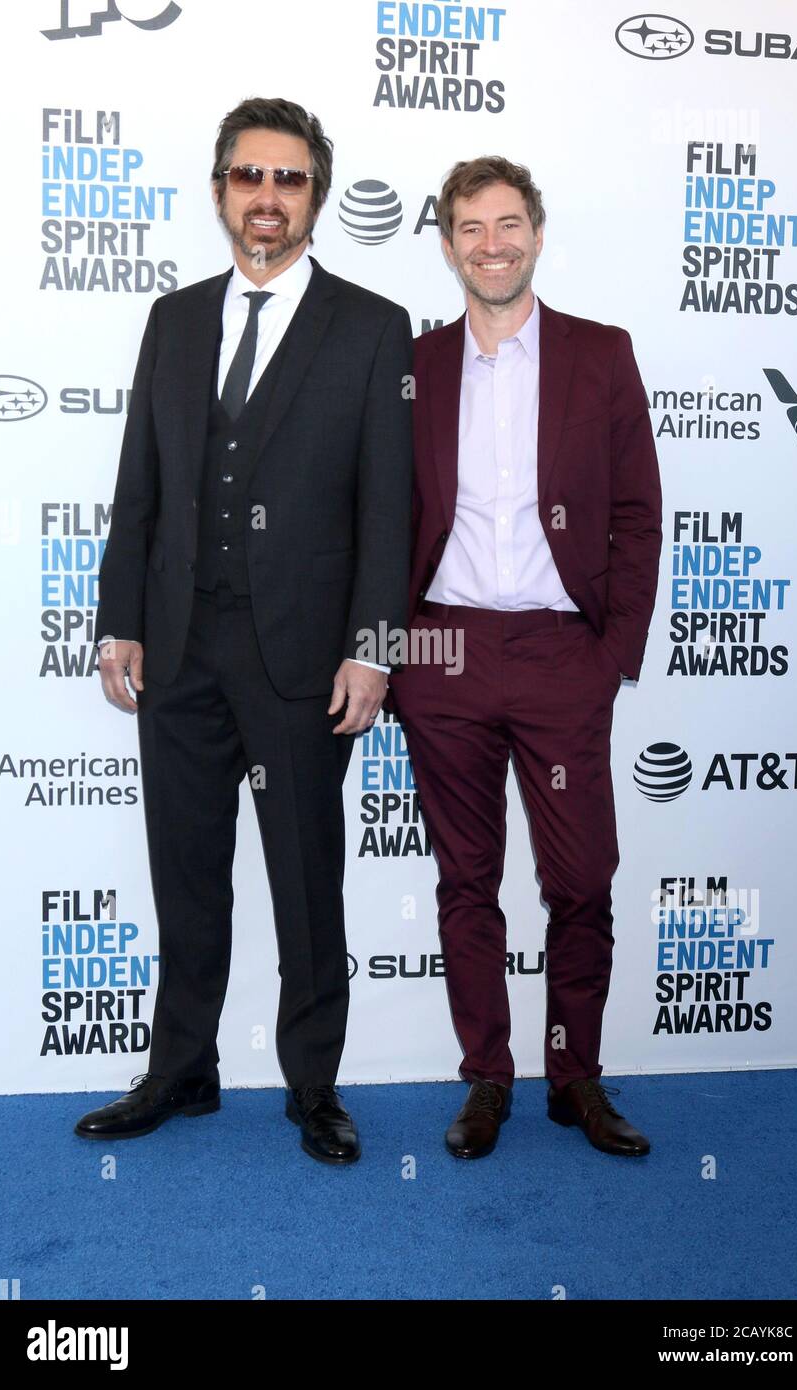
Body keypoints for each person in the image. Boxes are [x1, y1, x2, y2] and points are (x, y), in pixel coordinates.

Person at [74, 97, 413, 1164]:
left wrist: (373, 647)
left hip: (304, 659)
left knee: (307, 875)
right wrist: (119, 617)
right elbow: (141, 483)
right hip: (175, 646)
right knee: (183, 865)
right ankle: (182, 1068)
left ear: (315, 195)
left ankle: (313, 1084)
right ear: (221, 188)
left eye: (290, 179)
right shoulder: (174, 320)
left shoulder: (370, 326)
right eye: (248, 176)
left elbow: (389, 505)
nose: (267, 198)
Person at [389, 156, 662, 1159]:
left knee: (579, 880)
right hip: (443, 654)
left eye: (507, 225)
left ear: (537, 234)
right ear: (447, 240)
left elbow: (636, 514)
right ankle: (486, 1080)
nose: (490, 245)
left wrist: (610, 655)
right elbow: (379, 526)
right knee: (466, 881)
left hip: (561, 653)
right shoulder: (413, 365)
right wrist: (391, 658)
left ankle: (573, 1073)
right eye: (469, 227)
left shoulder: (600, 355)